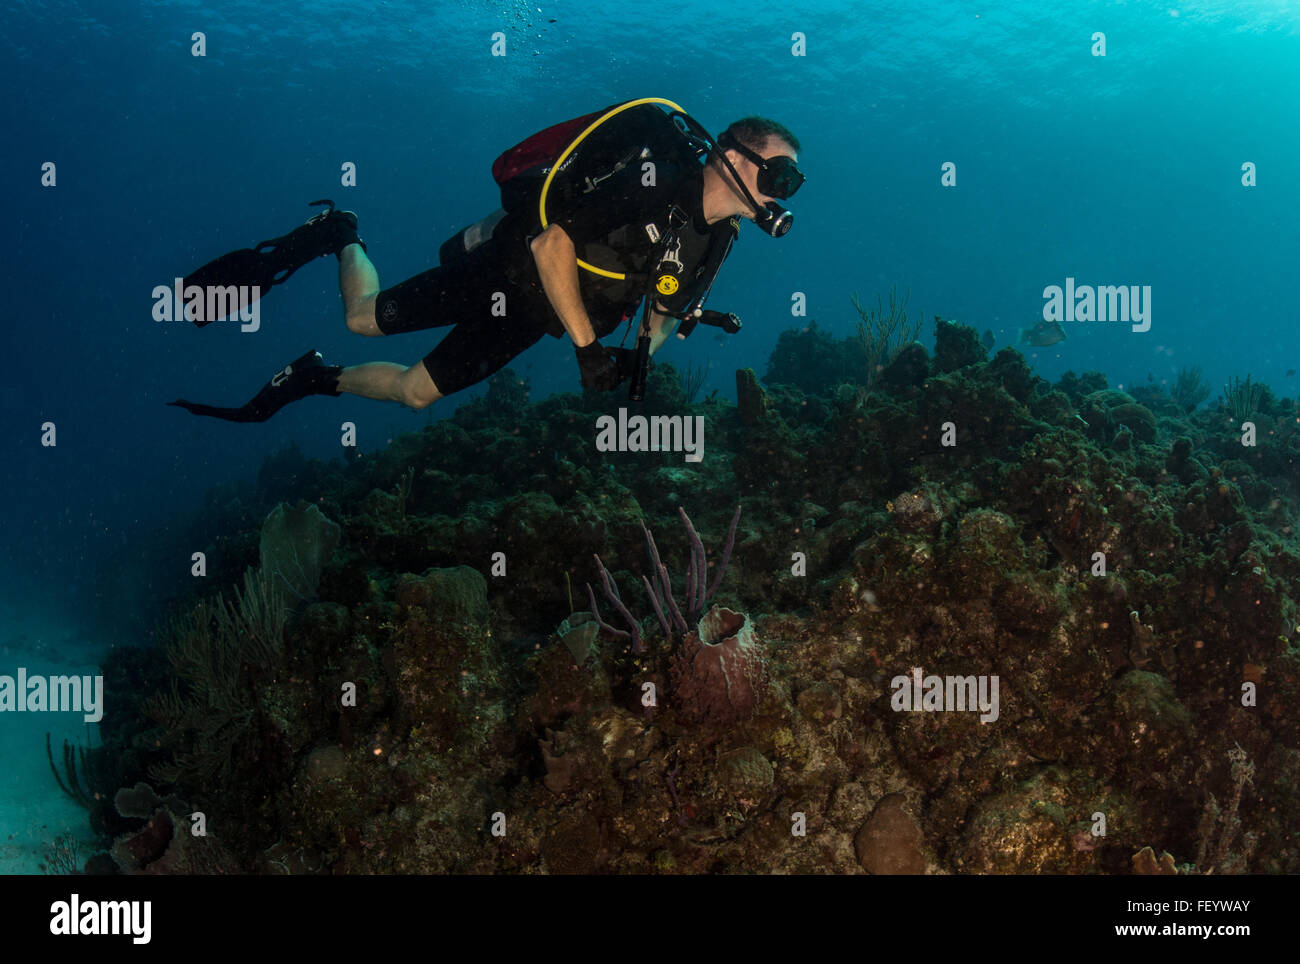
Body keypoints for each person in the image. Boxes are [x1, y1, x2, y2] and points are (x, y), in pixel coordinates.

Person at [169, 105, 803, 422]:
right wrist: (588, 347)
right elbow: (549, 244)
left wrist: (634, 360)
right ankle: (340, 232)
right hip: (505, 272)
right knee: (363, 319)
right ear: (735, 158)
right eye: (780, 175)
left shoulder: (719, 238)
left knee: (416, 393)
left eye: (790, 182)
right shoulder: (652, 180)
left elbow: (664, 313)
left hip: (535, 318)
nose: (782, 193)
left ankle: (316, 377)